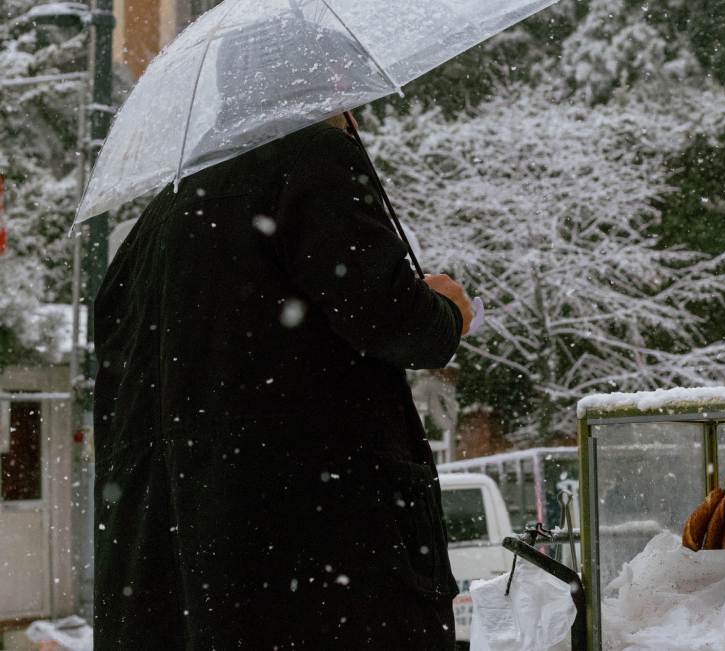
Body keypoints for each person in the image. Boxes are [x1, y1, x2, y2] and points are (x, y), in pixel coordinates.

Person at [92, 111, 472, 649]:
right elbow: (395, 321)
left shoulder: (156, 220)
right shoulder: (310, 157)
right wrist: (447, 311)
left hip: (180, 574)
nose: (355, 113)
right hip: (316, 557)